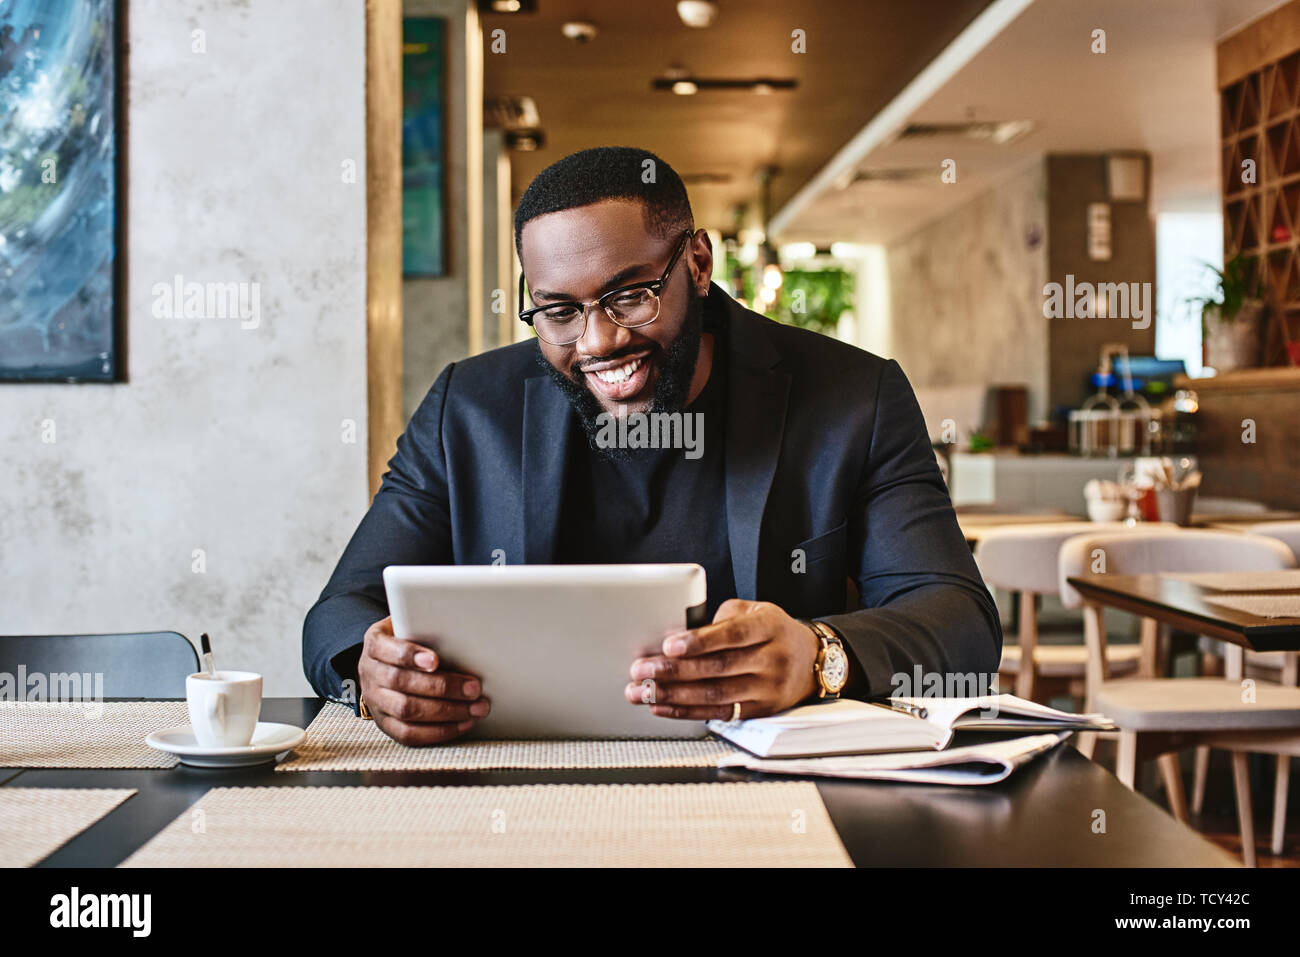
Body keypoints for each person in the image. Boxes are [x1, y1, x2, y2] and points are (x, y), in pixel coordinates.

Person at [302, 146, 1001, 746]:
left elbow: (960, 621)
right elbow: (338, 613)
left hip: (769, 797)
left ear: (697, 262)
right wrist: (370, 673)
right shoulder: (468, 407)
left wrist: (820, 656)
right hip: (519, 788)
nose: (599, 341)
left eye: (630, 295)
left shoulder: (854, 397)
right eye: (559, 311)